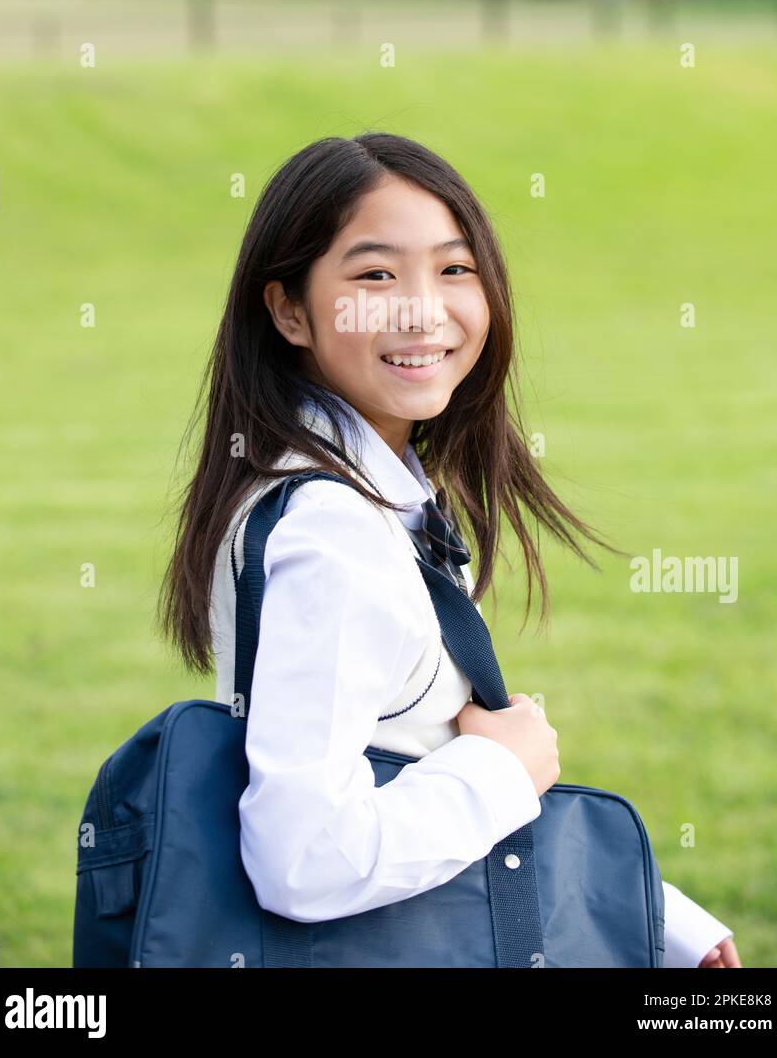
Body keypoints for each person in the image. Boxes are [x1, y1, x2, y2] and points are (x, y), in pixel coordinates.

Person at [159, 130, 741, 968]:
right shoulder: (332, 535)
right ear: (288, 310)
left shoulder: (364, 499)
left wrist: (658, 917)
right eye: (374, 275)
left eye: (454, 270)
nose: (423, 310)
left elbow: (414, 762)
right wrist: (506, 768)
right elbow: (302, 859)